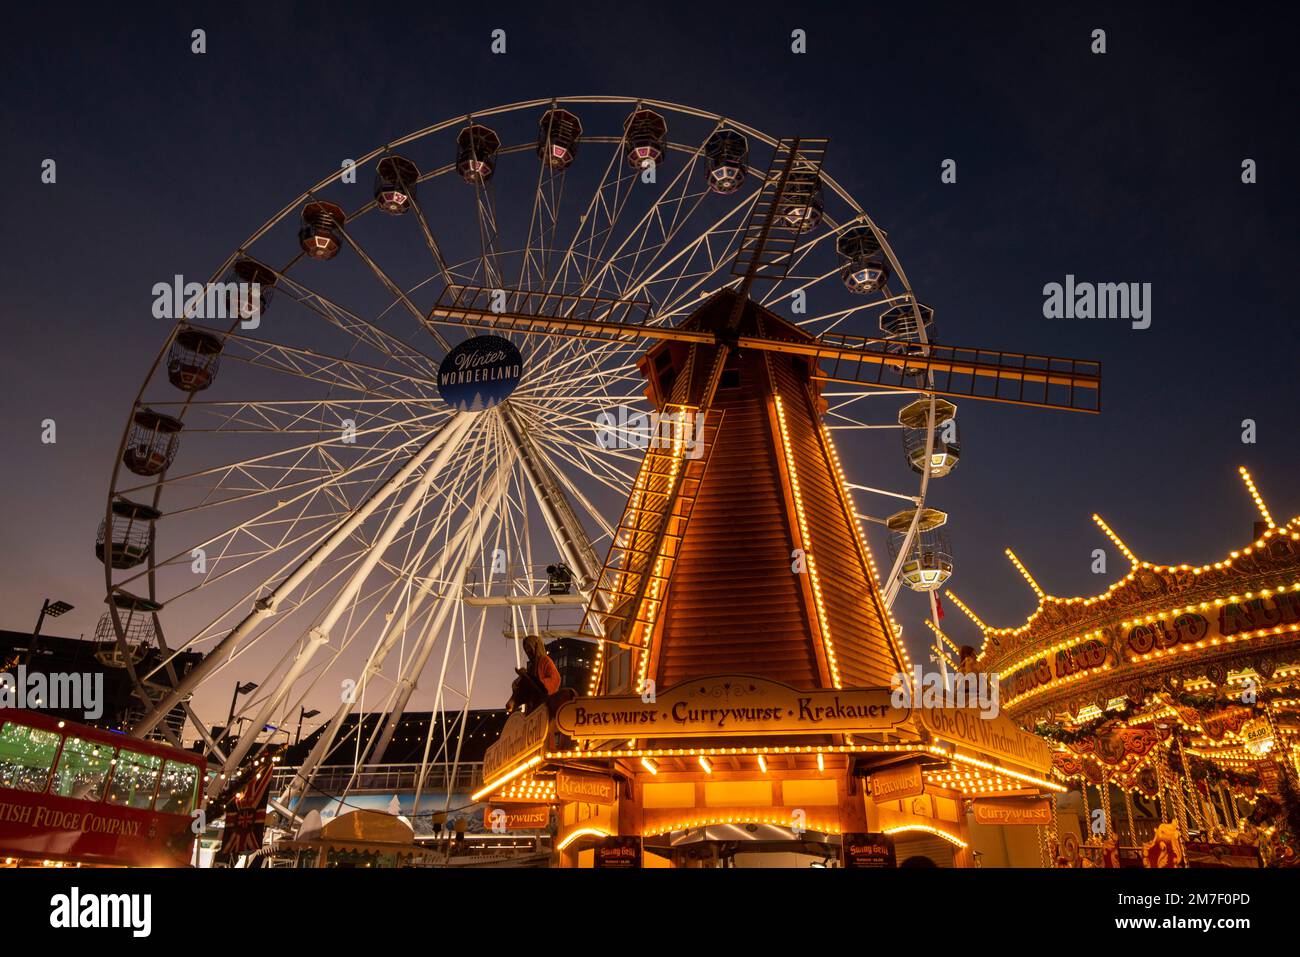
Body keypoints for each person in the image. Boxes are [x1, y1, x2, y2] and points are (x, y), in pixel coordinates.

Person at [506, 634, 561, 715]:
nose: (528, 651)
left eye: (529, 647)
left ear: (535, 647)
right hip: (533, 706)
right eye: (526, 649)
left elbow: (556, 679)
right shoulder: (531, 667)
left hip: (545, 704)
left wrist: (538, 683)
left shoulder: (545, 661)